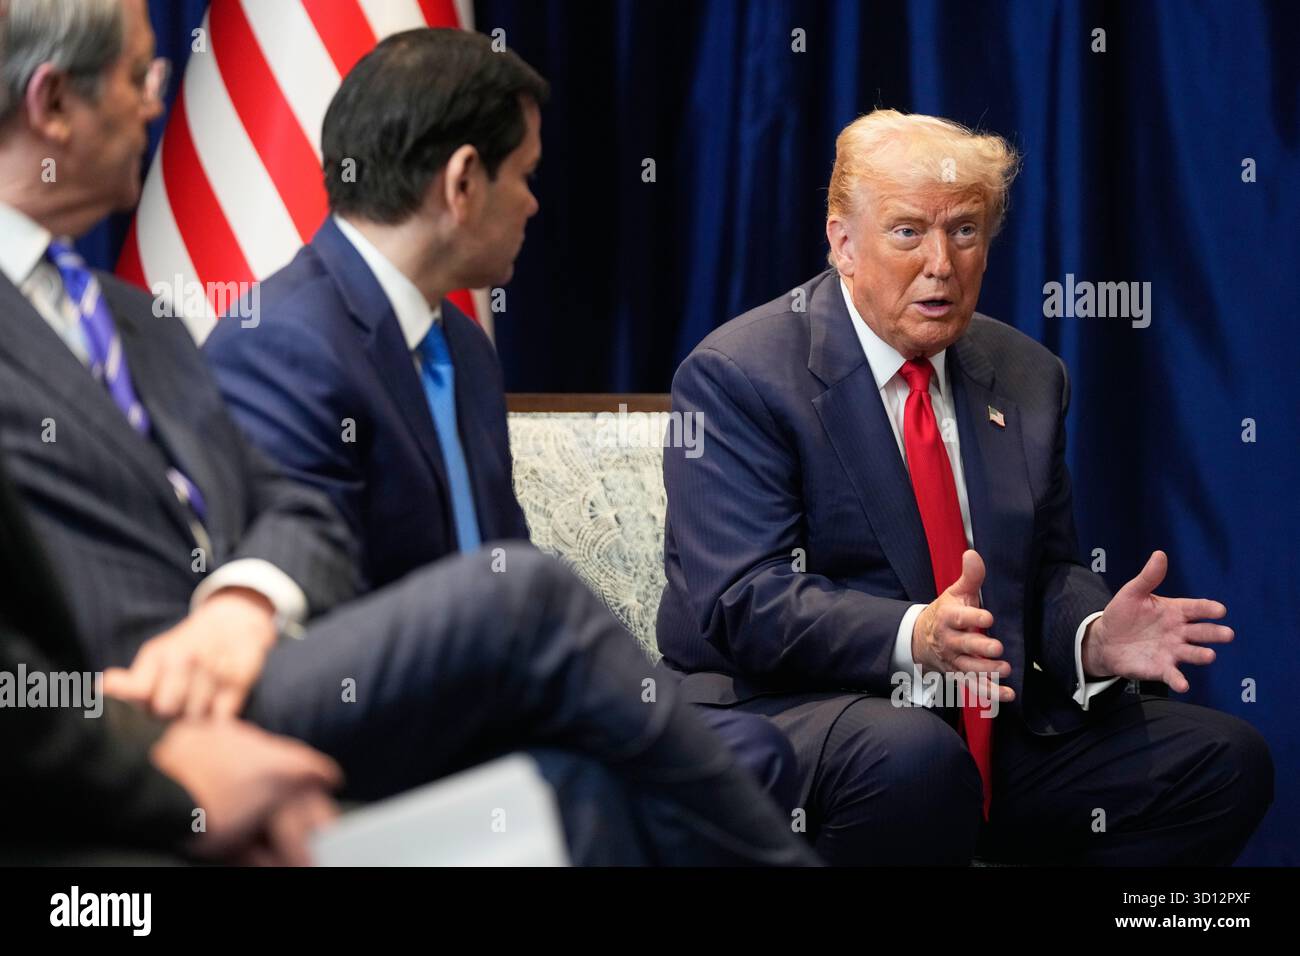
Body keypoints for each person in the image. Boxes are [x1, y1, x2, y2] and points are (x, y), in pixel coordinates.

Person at [0, 0, 816, 866]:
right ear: (52, 104)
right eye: (137, 76)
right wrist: (152, 758)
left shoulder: (140, 323)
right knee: (526, 597)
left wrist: (242, 598)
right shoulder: (278, 336)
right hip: (142, 705)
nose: (154, 102)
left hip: (248, 659)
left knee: (598, 799)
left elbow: (287, 515)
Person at [655, 108, 1274, 865]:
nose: (941, 264)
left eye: (966, 231)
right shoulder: (742, 375)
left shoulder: (1024, 375)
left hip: (985, 718)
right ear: (843, 242)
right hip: (798, 711)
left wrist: (1091, 637)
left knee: (1223, 762)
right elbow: (740, 600)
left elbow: (1043, 572)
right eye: (909, 231)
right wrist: (914, 634)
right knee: (915, 758)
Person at [203, 27, 798, 813]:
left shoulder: (462, 347)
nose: (534, 203)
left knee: (756, 754)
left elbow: (499, 555)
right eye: (524, 176)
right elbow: (318, 612)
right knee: (688, 780)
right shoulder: (281, 342)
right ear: (461, 182)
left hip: (506, 702)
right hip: (388, 733)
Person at [0, 448, 342, 866]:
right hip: (145, 713)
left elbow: (291, 496)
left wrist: (243, 601)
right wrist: (173, 781)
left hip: (125, 727)